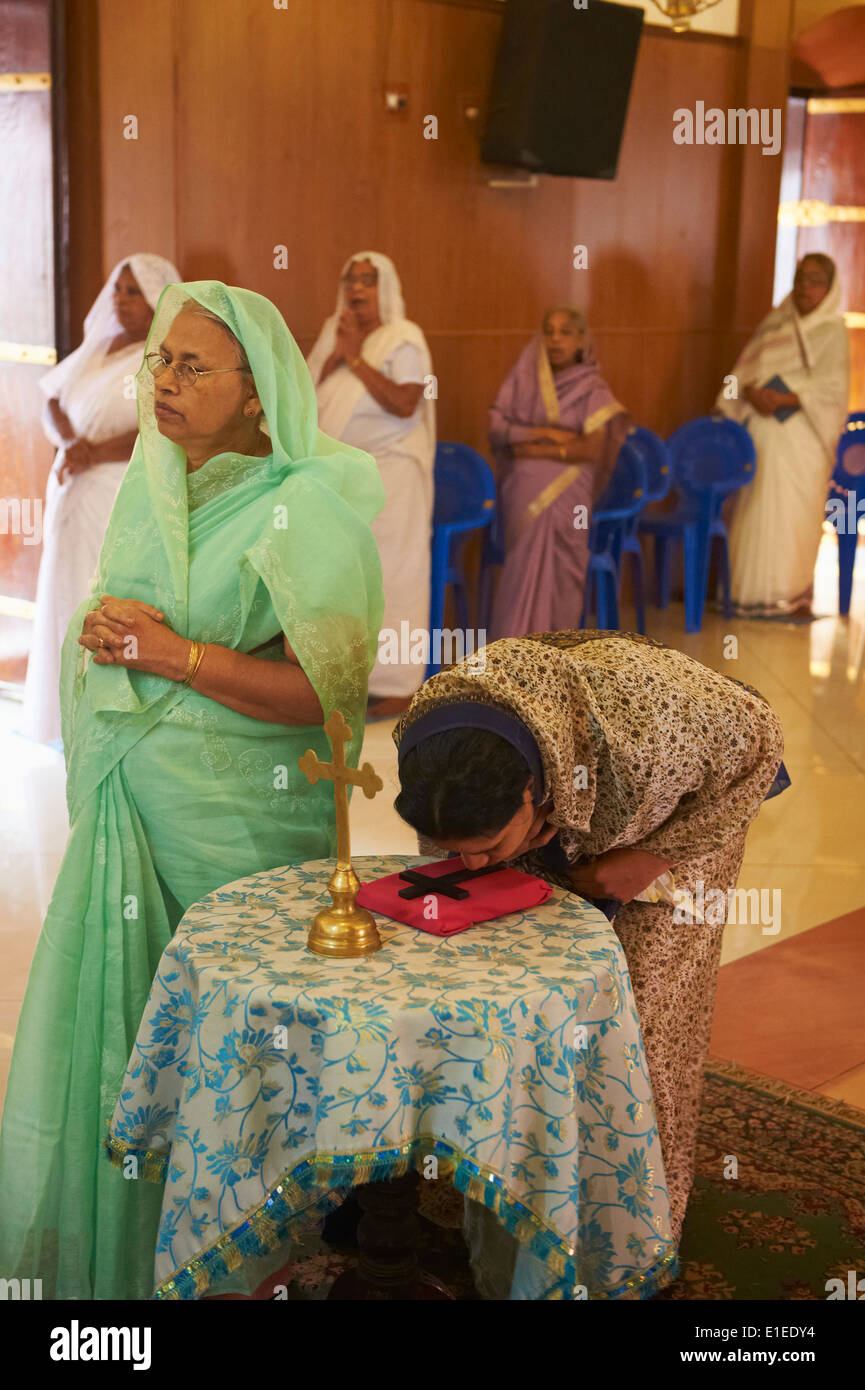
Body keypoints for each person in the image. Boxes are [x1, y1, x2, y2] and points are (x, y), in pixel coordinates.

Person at [0, 281, 385, 1299]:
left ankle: (241, 1261)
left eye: (191, 366)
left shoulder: (306, 506)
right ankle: (124, 1253)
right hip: (140, 823)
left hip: (241, 835)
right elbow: (133, 626)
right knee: (129, 1047)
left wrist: (167, 655)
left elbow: (322, 693)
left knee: (232, 1068)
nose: (161, 382)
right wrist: (107, 634)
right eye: (160, 360)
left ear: (257, 396)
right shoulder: (159, 482)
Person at [392, 629, 786, 1258]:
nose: (469, 863)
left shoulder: (659, 723)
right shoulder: (437, 738)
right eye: (453, 849)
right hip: (559, 812)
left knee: (635, 1022)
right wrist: (493, 858)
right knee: (509, 1001)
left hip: (674, 825)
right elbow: (467, 838)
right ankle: (495, 1200)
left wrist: (649, 859)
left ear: (532, 792)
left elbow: (760, 743)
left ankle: (624, 1234)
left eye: (486, 845)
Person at [23, 254, 182, 744]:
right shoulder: (103, 345)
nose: (121, 300)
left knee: (106, 591)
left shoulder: (167, 352)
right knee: (65, 590)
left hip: (120, 488)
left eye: (133, 291)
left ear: (158, 297)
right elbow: (51, 397)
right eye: (118, 289)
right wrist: (71, 443)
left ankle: (110, 713)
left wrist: (94, 452)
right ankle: (62, 713)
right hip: (73, 485)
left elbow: (164, 424)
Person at [307, 252, 434, 719]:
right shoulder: (334, 329)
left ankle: (398, 685)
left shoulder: (405, 337)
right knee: (347, 583)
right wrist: (340, 351)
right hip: (340, 481)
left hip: (393, 480)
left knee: (392, 580)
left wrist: (357, 357)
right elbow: (307, 394)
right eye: (350, 279)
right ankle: (349, 680)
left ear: (387, 288)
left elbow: (405, 403)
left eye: (368, 280)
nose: (357, 288)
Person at [715, 253, 849, 618]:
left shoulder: (832, 331)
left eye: (816, 280)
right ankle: (746, 595)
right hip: (761, 436)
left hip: (804, 442)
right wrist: (752, 392)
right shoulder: (775, 324)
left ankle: (787, 596)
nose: (806, 288)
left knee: (792, 515)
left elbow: (833, 390)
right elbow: (740, 376)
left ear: (830, 286)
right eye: (800, 278)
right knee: (756, 510)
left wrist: (788, 397)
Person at [489, 307, 629, 639]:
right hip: (522, 493)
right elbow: (497, 427)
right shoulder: (524, 379)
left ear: (581, 340)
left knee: (563, 572)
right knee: (521, 569)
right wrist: (553, 436)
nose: (554, 339)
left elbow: (591, 448)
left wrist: (533, 447)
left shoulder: (592, 388)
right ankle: (512, 649)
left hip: (570, 500)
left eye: (565, 332)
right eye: (548, 331)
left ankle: (554, 649)